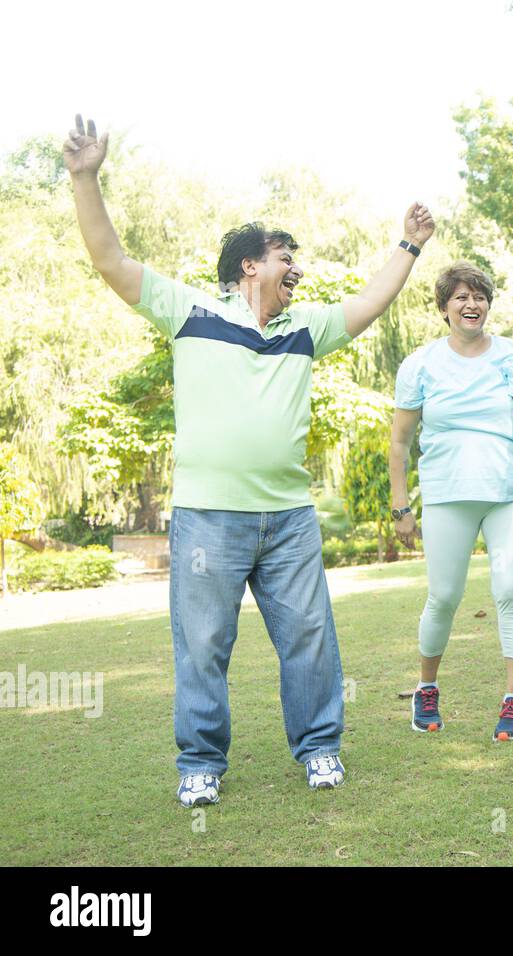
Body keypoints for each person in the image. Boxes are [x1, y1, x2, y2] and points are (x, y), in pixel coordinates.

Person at [65, 114, 435, 805]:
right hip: (209, 520)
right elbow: (111, 260)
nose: (297, 269)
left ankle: (320, 749)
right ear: (249, 266)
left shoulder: (306, 328)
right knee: (203, 645)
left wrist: (409, 246)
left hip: (289, 519)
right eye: (284, 257)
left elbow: (369, 304)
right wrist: (86, 177)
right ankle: (200, 763)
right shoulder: (190, 312)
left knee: (310, 640)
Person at [390, 262, 513, 742]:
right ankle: (426, 687)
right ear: (443, 308)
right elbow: (399, 441)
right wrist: (401, 507)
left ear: (488, 305)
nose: (471, 304)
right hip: (446, 494)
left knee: (510, 591)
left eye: (478, 296)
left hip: (509, 493)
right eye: (460, 297)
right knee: (444, 596)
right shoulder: (419, 364)